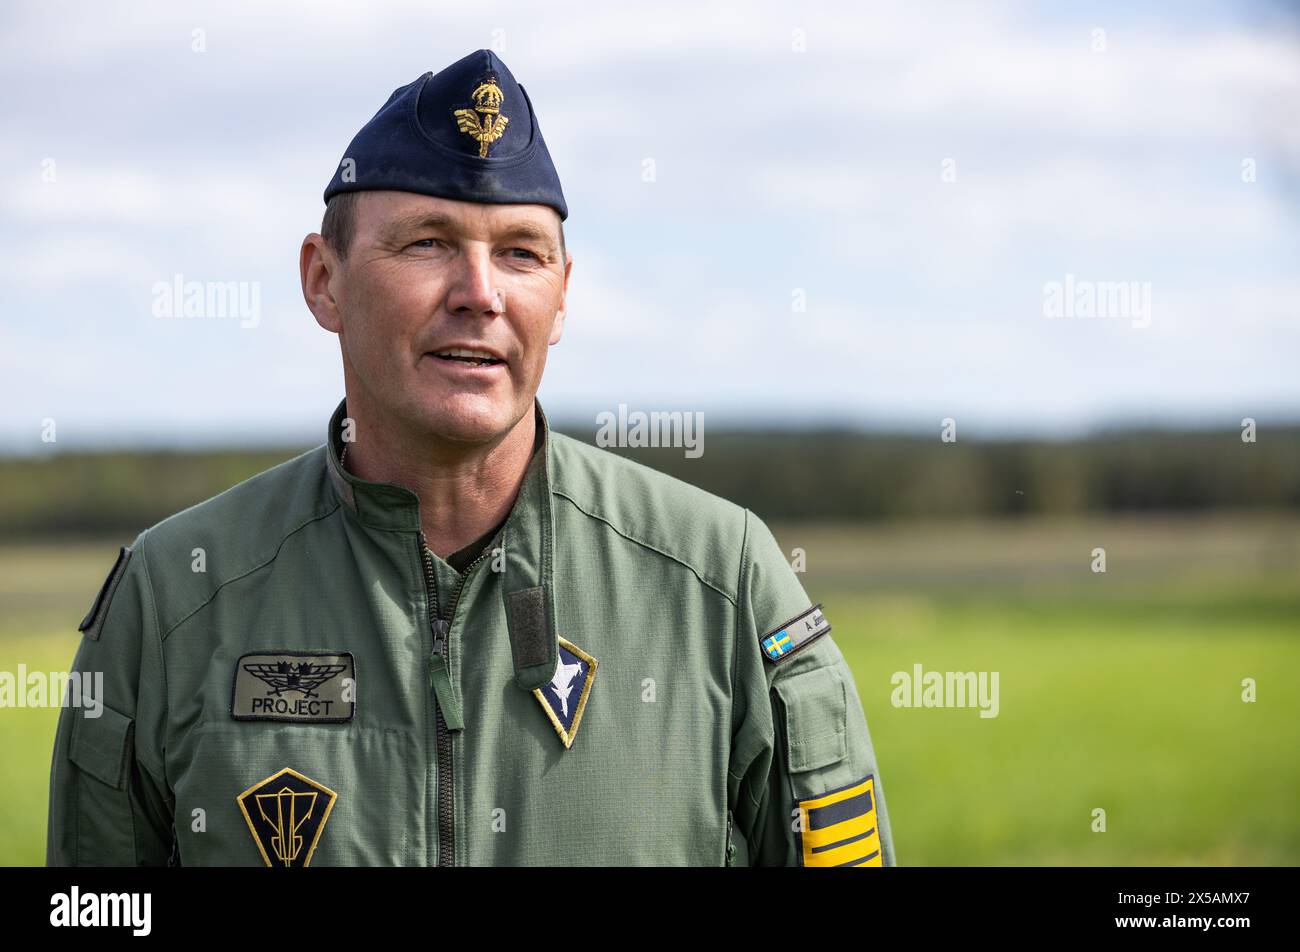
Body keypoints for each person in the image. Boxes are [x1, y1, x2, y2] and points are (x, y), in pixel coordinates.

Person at [46, 49, 896, 867]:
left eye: (521, 253)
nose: (480, 293)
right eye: (427, 242)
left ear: (562, 296)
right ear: (323, 280)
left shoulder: (724, 584)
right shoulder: (175, 599)